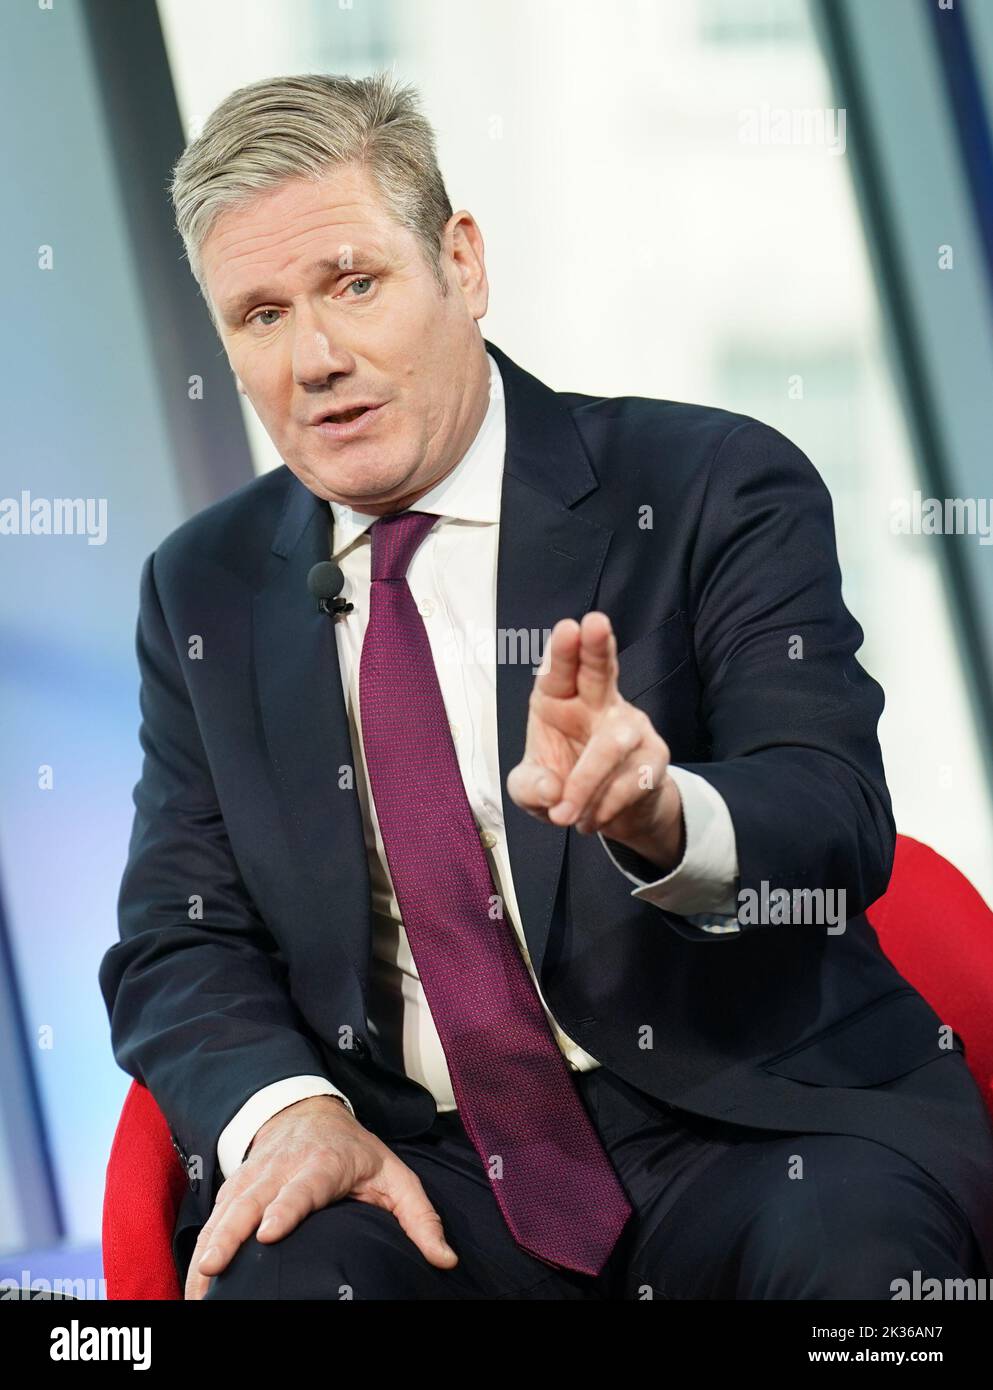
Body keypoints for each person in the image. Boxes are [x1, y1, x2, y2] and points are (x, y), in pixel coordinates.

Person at [99, 71, 993, 1301]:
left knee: (860, 1268)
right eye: (259, 314)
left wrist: (661, 816)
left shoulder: (712, 485)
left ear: (461, 264)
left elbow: (833, 814)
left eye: (356, 282)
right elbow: (176, 936)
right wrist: (291, 1111)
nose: (317, 357)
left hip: (756, 1123)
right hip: (424, 1162)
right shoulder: (201, 588)